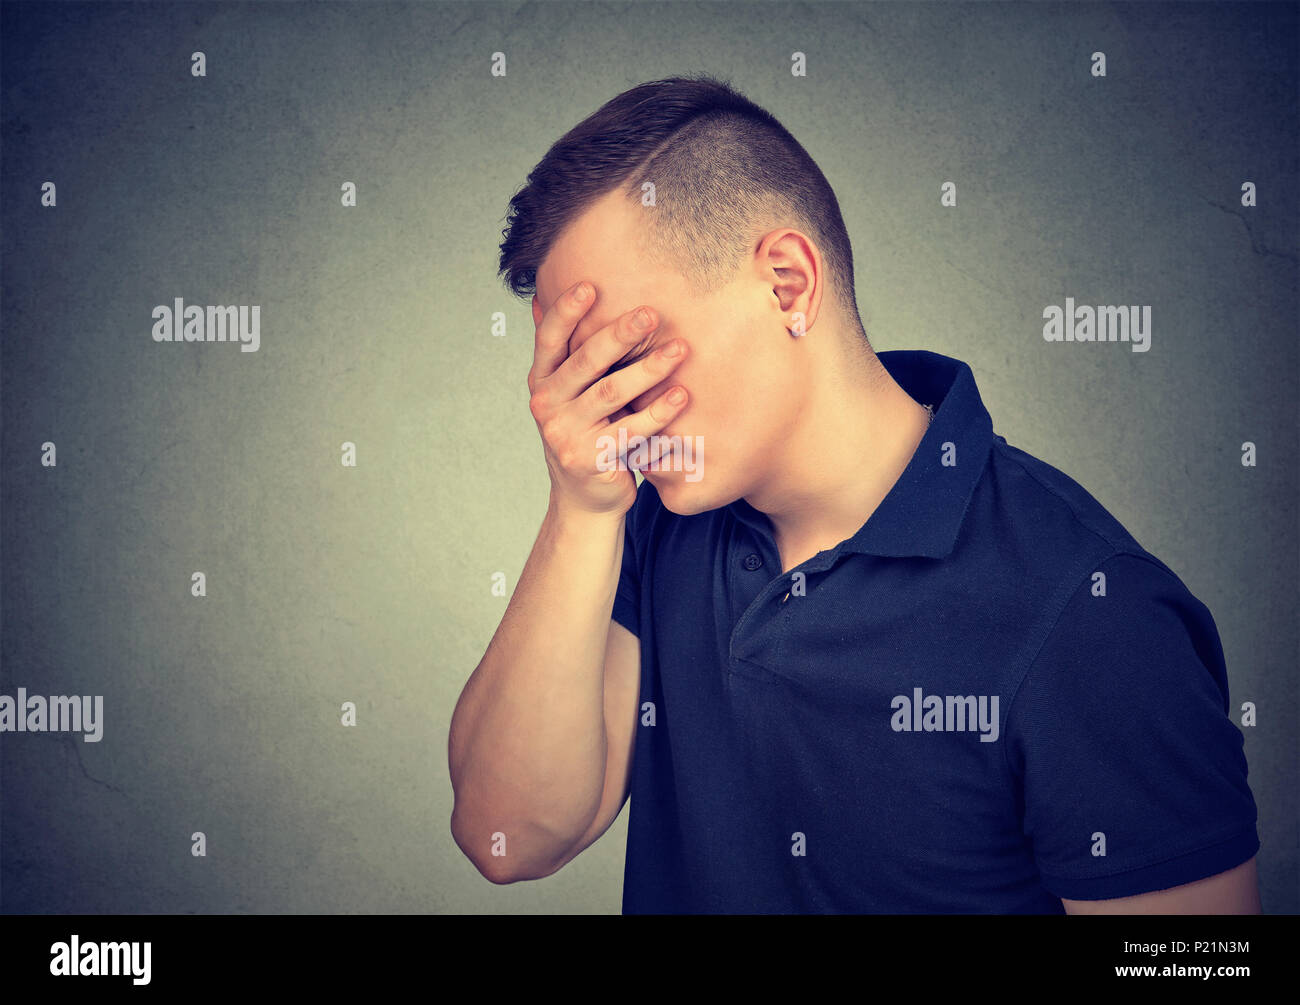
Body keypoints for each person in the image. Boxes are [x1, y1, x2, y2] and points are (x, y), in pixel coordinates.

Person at [448, 74, 1261, 913]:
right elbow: (507, 834)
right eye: (576, 373)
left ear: (786, 284)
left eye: (626, 356)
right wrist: (580, 510)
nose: (601, 412)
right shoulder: (648, 521)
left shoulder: (1095, 613)